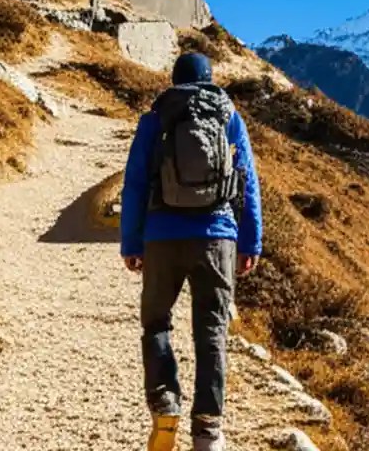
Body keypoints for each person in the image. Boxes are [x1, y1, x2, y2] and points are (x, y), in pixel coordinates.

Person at [121, 52, 262, 451]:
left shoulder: (155, 119)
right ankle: (207, 432)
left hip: (162, 236)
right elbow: (248, 185)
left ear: (174, 80)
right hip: (217, 238)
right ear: (210, 79)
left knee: (156, 324)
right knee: (212, 331)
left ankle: (165, 405)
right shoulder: (229, 118)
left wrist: (132, 242)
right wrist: (250, 242)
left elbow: (133, 183)